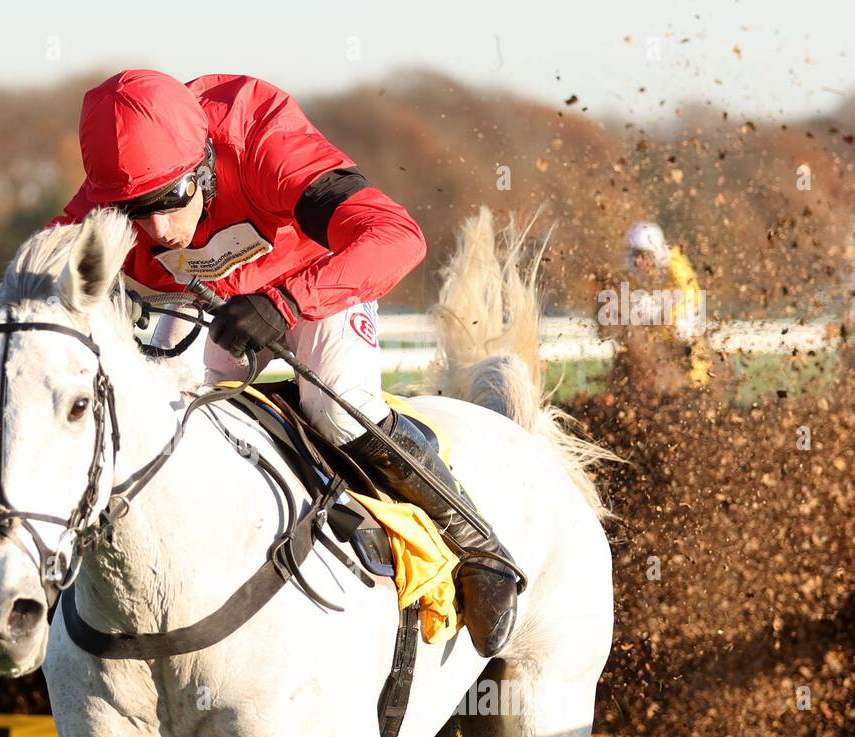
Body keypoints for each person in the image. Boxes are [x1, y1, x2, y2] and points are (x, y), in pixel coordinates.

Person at [50, 69, 518, 657]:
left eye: (170, 202)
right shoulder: (109, 199)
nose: (160, 231)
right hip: (213, 304)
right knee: (170, 416)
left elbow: (398, 236)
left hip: (316, 282)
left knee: (339, 412)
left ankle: (477, 544)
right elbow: (34, 286)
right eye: (133, 212)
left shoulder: (256, 132)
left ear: (205, 163)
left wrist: (285, 301)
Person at [625, 220, 712, 386]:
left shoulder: (675, 261)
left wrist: (666, 311)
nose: (640, 262)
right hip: (661, 322)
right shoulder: (633, 268)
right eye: (636, 255)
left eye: (645, 255)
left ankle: (696, 382)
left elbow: (690, 293)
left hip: (681, 318)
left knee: (683, 330)